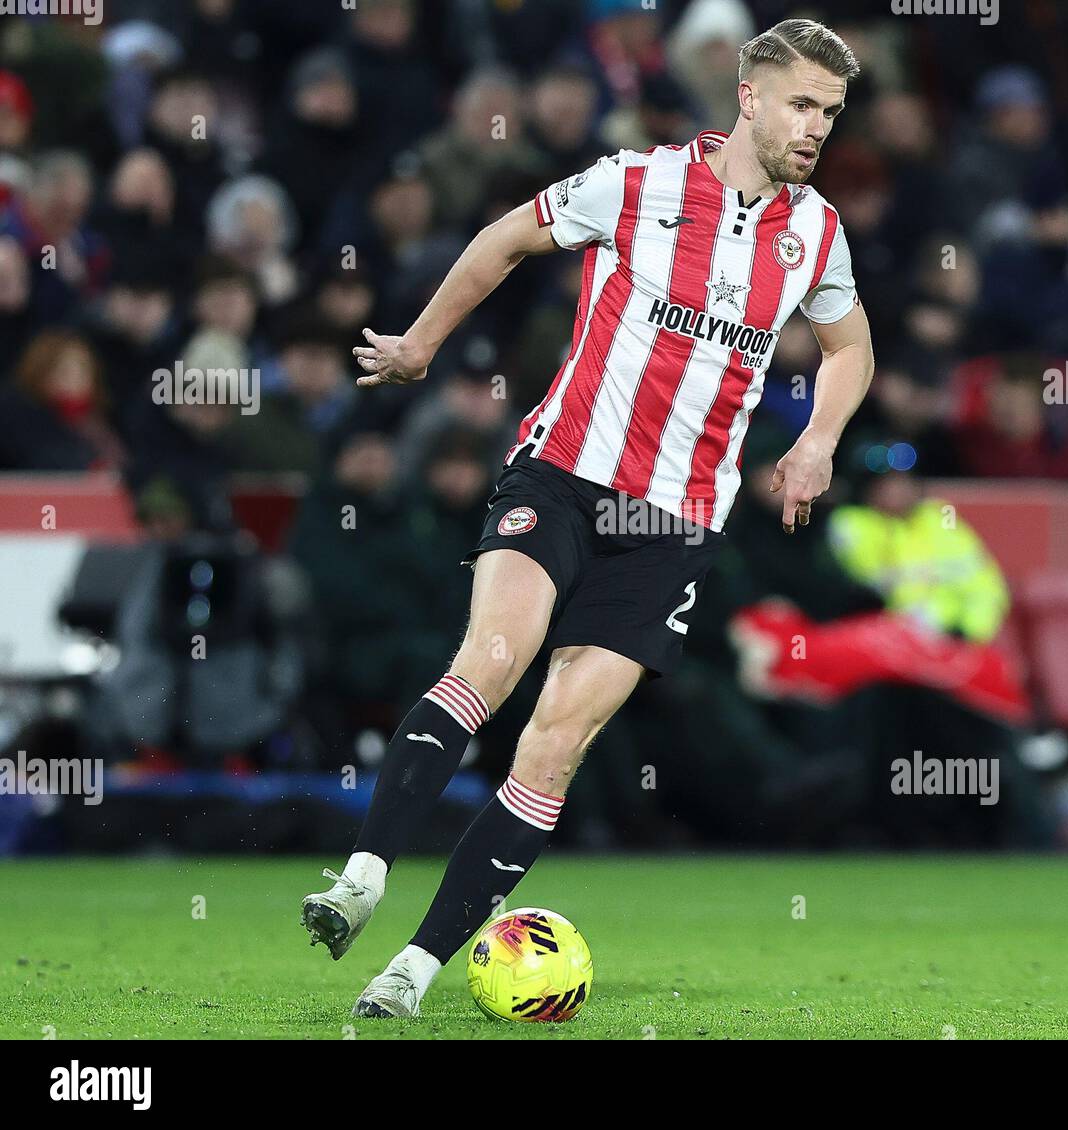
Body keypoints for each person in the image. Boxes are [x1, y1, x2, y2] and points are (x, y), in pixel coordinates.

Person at [300, 18, 875, 1019]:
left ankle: (417, 966)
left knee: (557, 740)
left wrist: (819, 438)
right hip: (561, 474)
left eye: (829, 110)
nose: (815, 125)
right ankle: (361, 873)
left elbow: (850, 349)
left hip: (672, 523)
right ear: (747, 96)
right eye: (800, 103)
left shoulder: (815, 233)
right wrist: (425, 343)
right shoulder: (636, 182)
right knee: (491, 660)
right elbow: (504, 238)